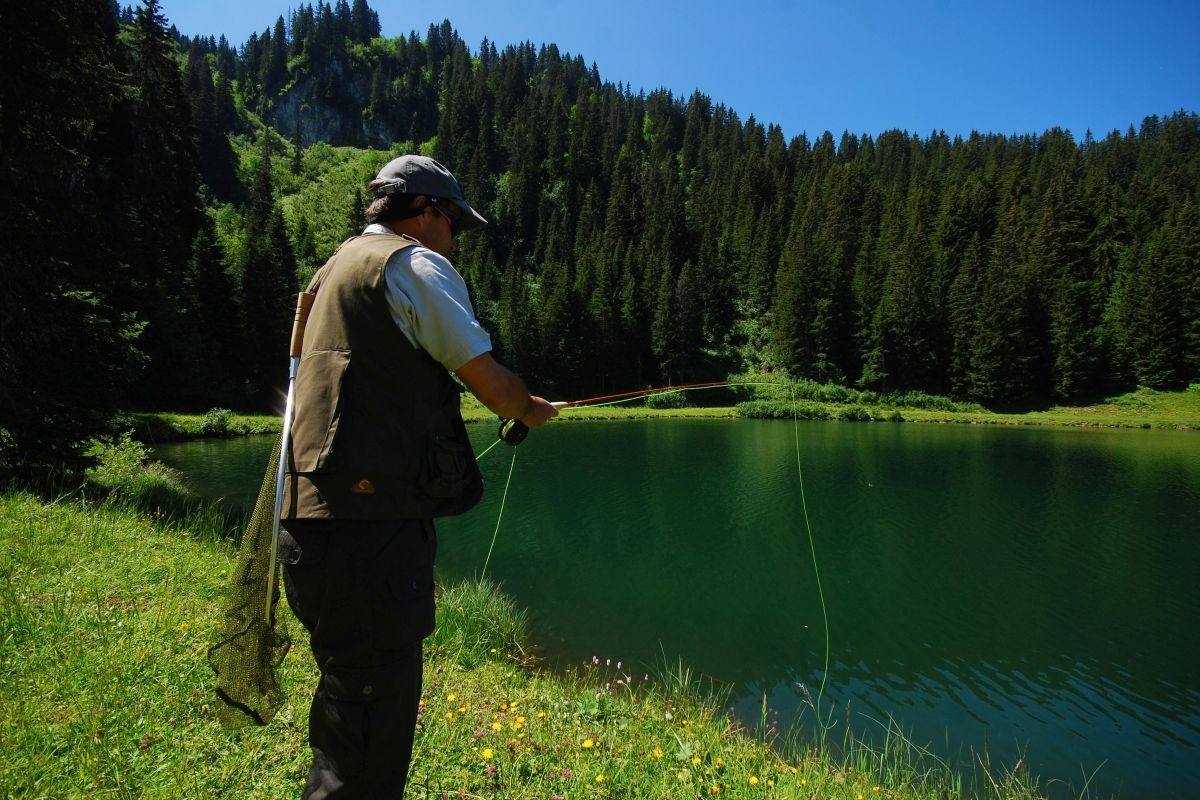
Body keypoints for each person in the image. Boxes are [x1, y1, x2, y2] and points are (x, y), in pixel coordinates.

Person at [278, 154, 558, 798]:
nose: (456, 239)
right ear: (426, 212)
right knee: (371, 739)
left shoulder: (328, 274)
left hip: (305, 527)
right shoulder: (412, 265)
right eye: (453, 221)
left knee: (348, 706)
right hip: (369, 536)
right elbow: (489, 382)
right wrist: (530, 408)